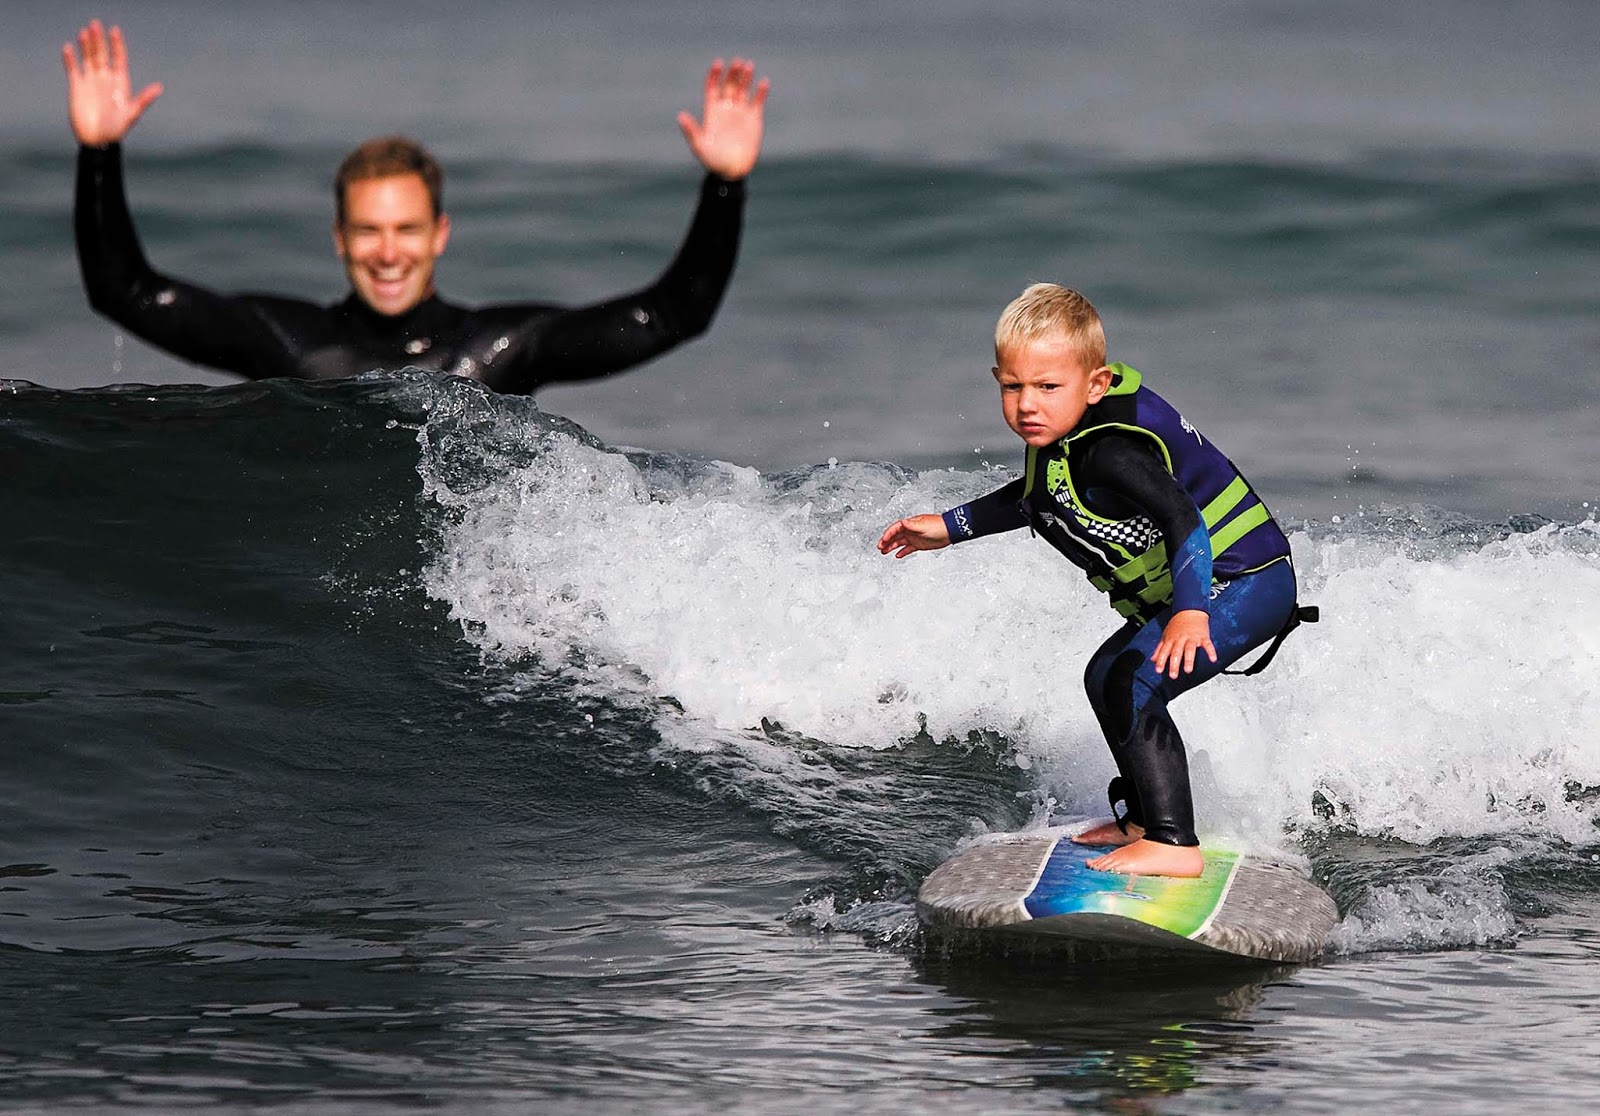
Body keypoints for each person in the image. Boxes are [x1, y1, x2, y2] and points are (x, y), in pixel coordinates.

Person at [61, 19, 769, 393]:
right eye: (369, 230)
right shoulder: (290, 341)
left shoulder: (498, 349)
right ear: (339, 239)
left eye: (406, 229)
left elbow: (675, 313)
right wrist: (99, 153)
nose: (389, 250)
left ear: (441, 235)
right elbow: (126, 294)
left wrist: (724, 185)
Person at [877, 284, 1312, 878]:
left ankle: (1172, 843)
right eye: (1012, 387)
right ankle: (1144, 818)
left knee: (1134, 680)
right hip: (1213, 586)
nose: (1027, 404)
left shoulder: (1111, 451)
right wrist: (949, 527)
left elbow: (1183, 517)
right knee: (1105, 674)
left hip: (1243, 582)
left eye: (1047, 387)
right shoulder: (1064, 437)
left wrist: (1190, 612)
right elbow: (1037, 497)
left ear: (1096, 385)